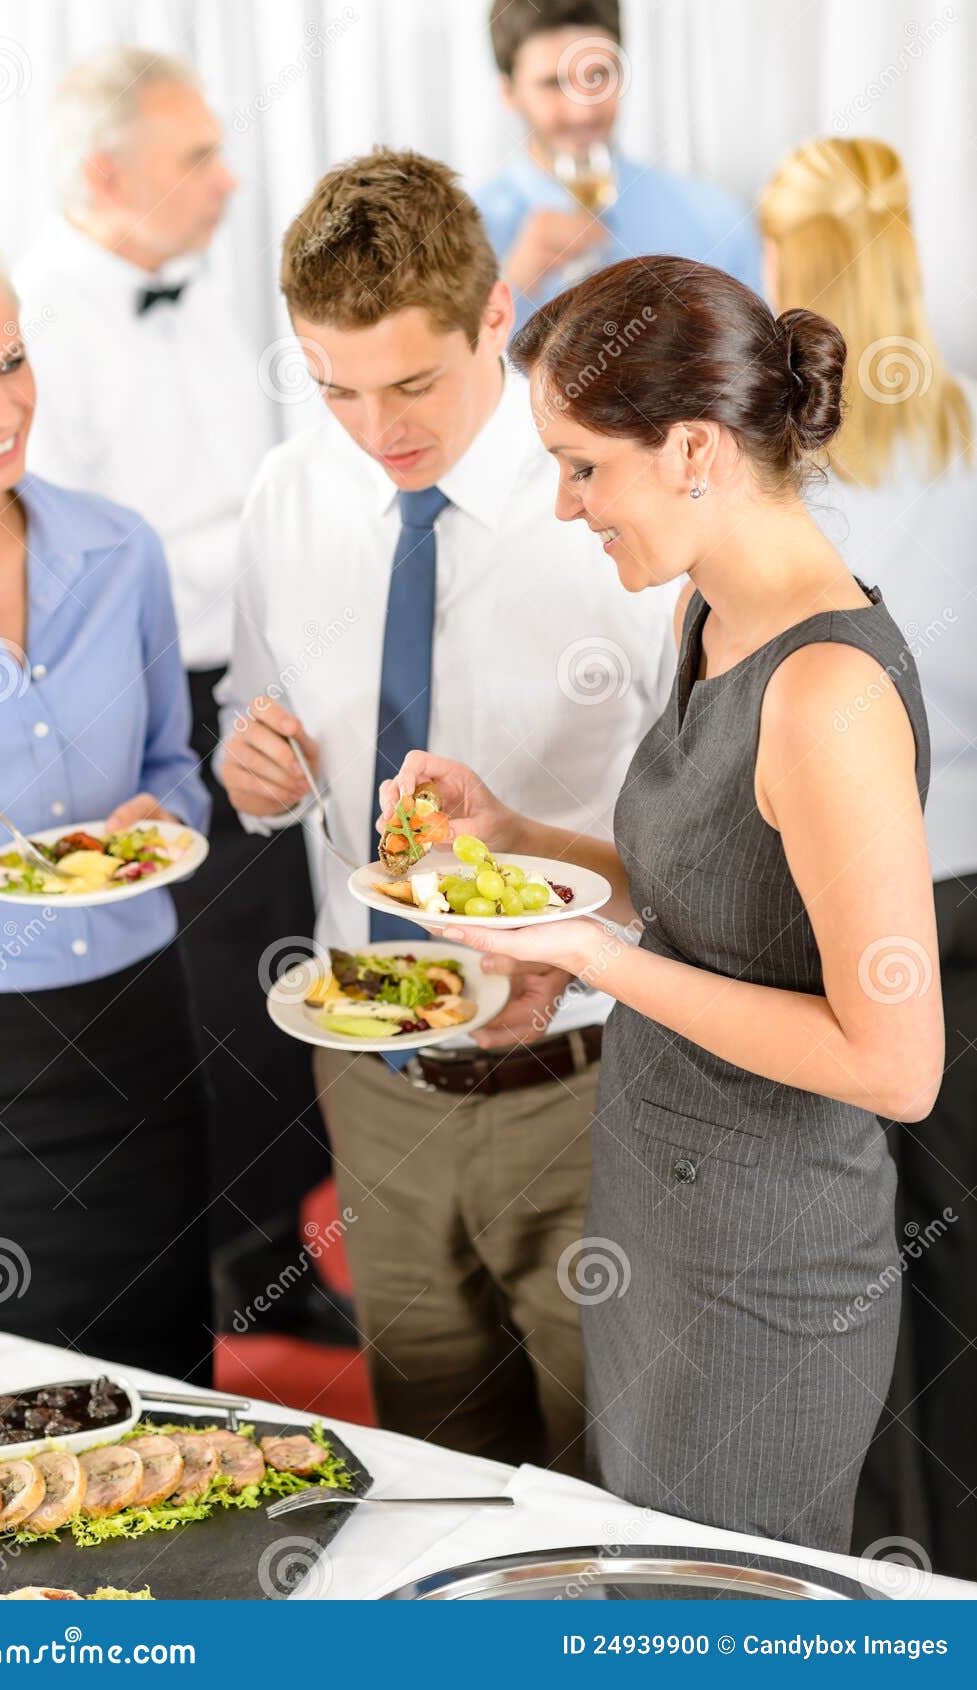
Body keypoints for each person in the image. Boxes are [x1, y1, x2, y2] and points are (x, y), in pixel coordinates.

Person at [380, 254, 944, 1552]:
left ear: (692, 449)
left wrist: (589, 949)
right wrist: (515, 834)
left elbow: (896, 1065)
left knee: (709, 1618)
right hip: (656, 1208)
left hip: (764, 1266)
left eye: (583, 466)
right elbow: (719, 891)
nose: (569, 506)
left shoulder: (827, 694)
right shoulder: (704, 606)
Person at [217, 149, 675, 1474]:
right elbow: (265, 732)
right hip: (374, 1074)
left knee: (618, 1484)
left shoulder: (612, 503)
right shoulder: (285, 498)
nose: (377, 429)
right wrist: (256, 776)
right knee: (437, 1473)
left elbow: (701, 825)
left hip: (587, 1080)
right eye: (335, 389)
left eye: (411, 384)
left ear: (495, 317)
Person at [14, 47, 327, 1308]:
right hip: (148, 698)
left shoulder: (192, 293)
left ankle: (279, 1243)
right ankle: (213, 1266)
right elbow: (89, 554)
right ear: (105, 173)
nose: (228, 181)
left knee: (282, 958)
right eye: (197, 156)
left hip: (246, 673)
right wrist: (268, 541)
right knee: (207, 986)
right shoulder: (35, 326)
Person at [0, 208, 212, 1382]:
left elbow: (172, 776)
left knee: (174, 1392)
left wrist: (160, 824)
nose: (3, 413)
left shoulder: (121, 552)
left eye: (12, 361)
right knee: (5, 1413)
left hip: (141, 1031)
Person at [762, 135, 977, 1576]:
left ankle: (857, 1567)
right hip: (970, 897)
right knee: (957, 1263)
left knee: (840, 1266)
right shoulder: (966, 429)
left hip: (848, 913)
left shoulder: (785, 475)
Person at [476, 0, 762, 333]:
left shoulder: (715, 219)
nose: (582, 111)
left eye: (598, 75)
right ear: (509, 92)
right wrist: (509, 292)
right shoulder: (461, 239)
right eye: (553, 84)